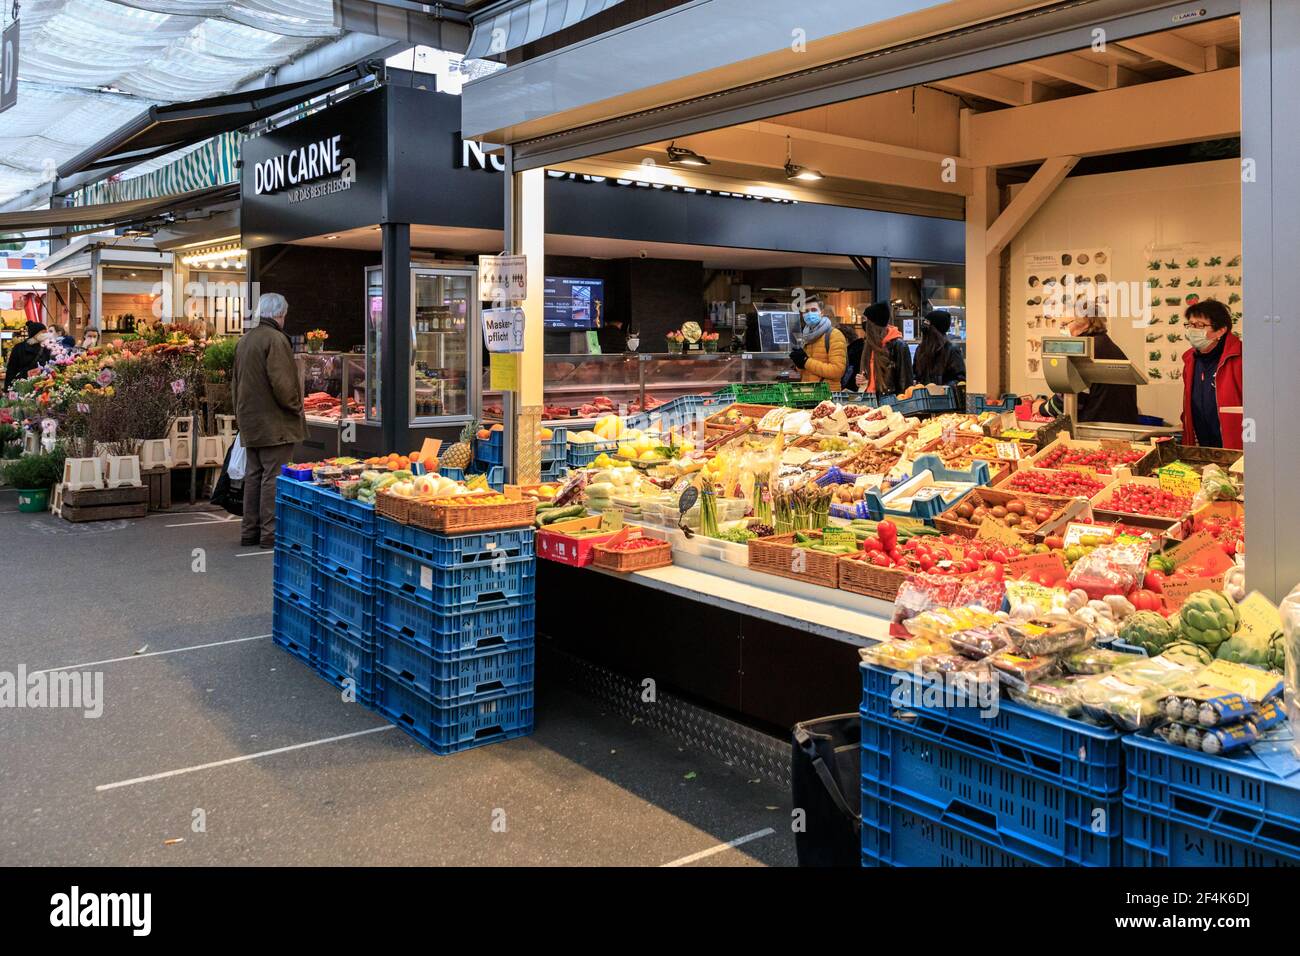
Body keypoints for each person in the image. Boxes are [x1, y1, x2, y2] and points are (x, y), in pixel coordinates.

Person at [231, 293, 307, 548]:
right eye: (284, 315)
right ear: (279, 314)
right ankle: (269, 534)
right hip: (275, 423)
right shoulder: (276, 339)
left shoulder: (245, 340)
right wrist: (296, 408)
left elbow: (235, 383)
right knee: (273, 477)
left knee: (254, 476)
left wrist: (241, 417)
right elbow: (283, 384)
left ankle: (249, 531)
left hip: (250, 421)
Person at [1039, 312, 1140, 424]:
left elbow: (1073, 398)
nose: (1062, 330)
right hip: (1123, 426)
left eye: (1065, 324)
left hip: (1098, 428)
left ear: (1086, 322)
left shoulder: (1085, 349)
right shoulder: (1104, 344)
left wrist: (1041, 408)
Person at [1180, 298, 1242, 449]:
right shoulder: (1190, 360)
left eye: (1200, 325)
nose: (1192, 330)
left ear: (1221, 330)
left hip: (1235, 447)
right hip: (1202, 447)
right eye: (1190, 324)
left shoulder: (1240, 359)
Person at [853, 301, 913, 395]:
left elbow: (905, 382)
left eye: (866, 320)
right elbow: (870, 377)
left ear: (872, 325)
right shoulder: (869, 345)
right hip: (869, 400)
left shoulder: (899, 346)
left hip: (889, 403)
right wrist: (863, 380)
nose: (864, 324)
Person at [788, 297, 846, 385]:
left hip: (827, 394)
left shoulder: (834, 335)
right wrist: (799, 365)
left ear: (821, 313)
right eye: (806, 311)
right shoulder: (806, 336)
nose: (809, 314)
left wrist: (805, 361)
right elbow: (806, 370)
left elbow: (837, 371)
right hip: (807, 392)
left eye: (813, 310)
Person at [911, 309, 966, 386]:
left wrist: (943, 388)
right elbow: (915, 374)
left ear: (935, 329)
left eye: (927, 323)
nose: (923, 327)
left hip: (944, 397)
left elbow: (960, 380)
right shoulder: (920, 349)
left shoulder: (951, 351)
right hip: (923, 396)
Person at [4, 321, 50, 388]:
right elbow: (11, 369)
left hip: (40, 386)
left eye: (46, 332)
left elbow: (47, 366)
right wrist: (7, 388)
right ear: (35, 334)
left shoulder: (45, 348)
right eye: (43, 332)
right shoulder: (19, 348)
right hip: (22, 385)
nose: (46, 335)